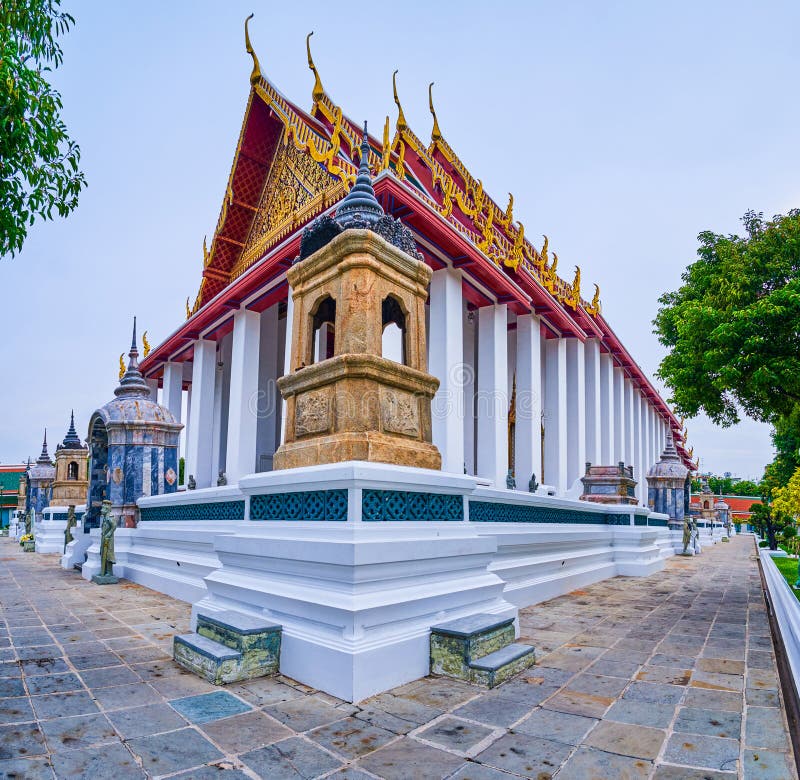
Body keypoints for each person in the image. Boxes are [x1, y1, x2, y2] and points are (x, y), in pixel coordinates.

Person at [99, 501, 116, 577]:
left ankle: (109, 572)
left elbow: (114, 526)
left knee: (108, 554)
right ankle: (103, 570)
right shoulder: (105, 518)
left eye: (103, 508)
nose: (101, 510)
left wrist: (109, 534)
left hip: (109, 539)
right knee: (103, 553)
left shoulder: (110, 517)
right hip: (104, 538)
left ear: (107, 509)